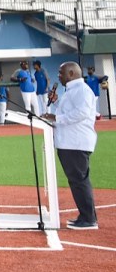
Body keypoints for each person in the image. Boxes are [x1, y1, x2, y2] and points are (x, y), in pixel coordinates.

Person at [44, 62, 99, 229]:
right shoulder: (72, 91)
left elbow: (81, 113)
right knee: (77, 181)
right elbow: (67, 112)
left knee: (79, 181)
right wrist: (56, 103)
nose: (58, 76)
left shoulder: (82, 90)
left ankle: (89, 219)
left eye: (61, 74)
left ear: (71, 73)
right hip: (70, 142)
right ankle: (86, 216)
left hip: (76, 143)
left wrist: (55, 118)